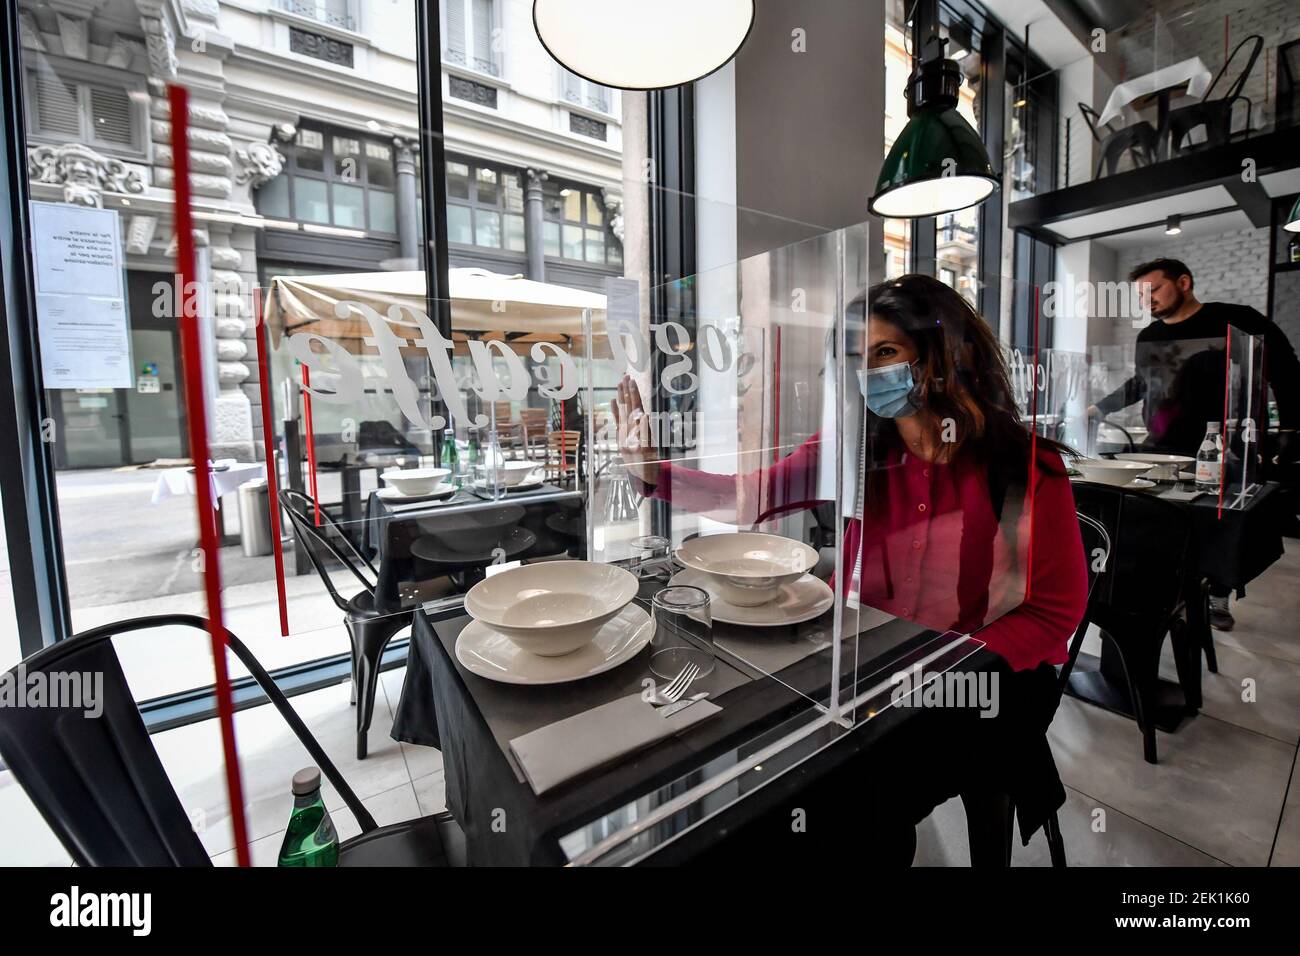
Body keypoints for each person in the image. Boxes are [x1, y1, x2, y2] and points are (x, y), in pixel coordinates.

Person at [613, 275, 1088, 863]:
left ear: (946, 354)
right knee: (781, 767)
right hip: (867, 659)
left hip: (985, 674)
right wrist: (652, 472)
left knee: (856, 799)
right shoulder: (856, 449)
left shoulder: (1022, 466)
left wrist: (939, 672)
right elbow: (753, 495)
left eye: (886, 352)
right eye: (857, 359)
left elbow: (1053, 611)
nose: (871, 374)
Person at [1087, 258, 1300, 630]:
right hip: (1162, 445)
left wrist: (1291, 429)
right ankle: (1170, 592)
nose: (1147, 300)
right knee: (1160, 522)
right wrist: (1099, 407)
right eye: (1141, 295)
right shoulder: (1149, 337)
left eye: (1153, 290)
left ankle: (1216, 593)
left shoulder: (1239, 320)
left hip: (1226, 445)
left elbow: (1285, 370)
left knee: (1217, 527)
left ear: (1184, 282)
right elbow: (1141, 384)